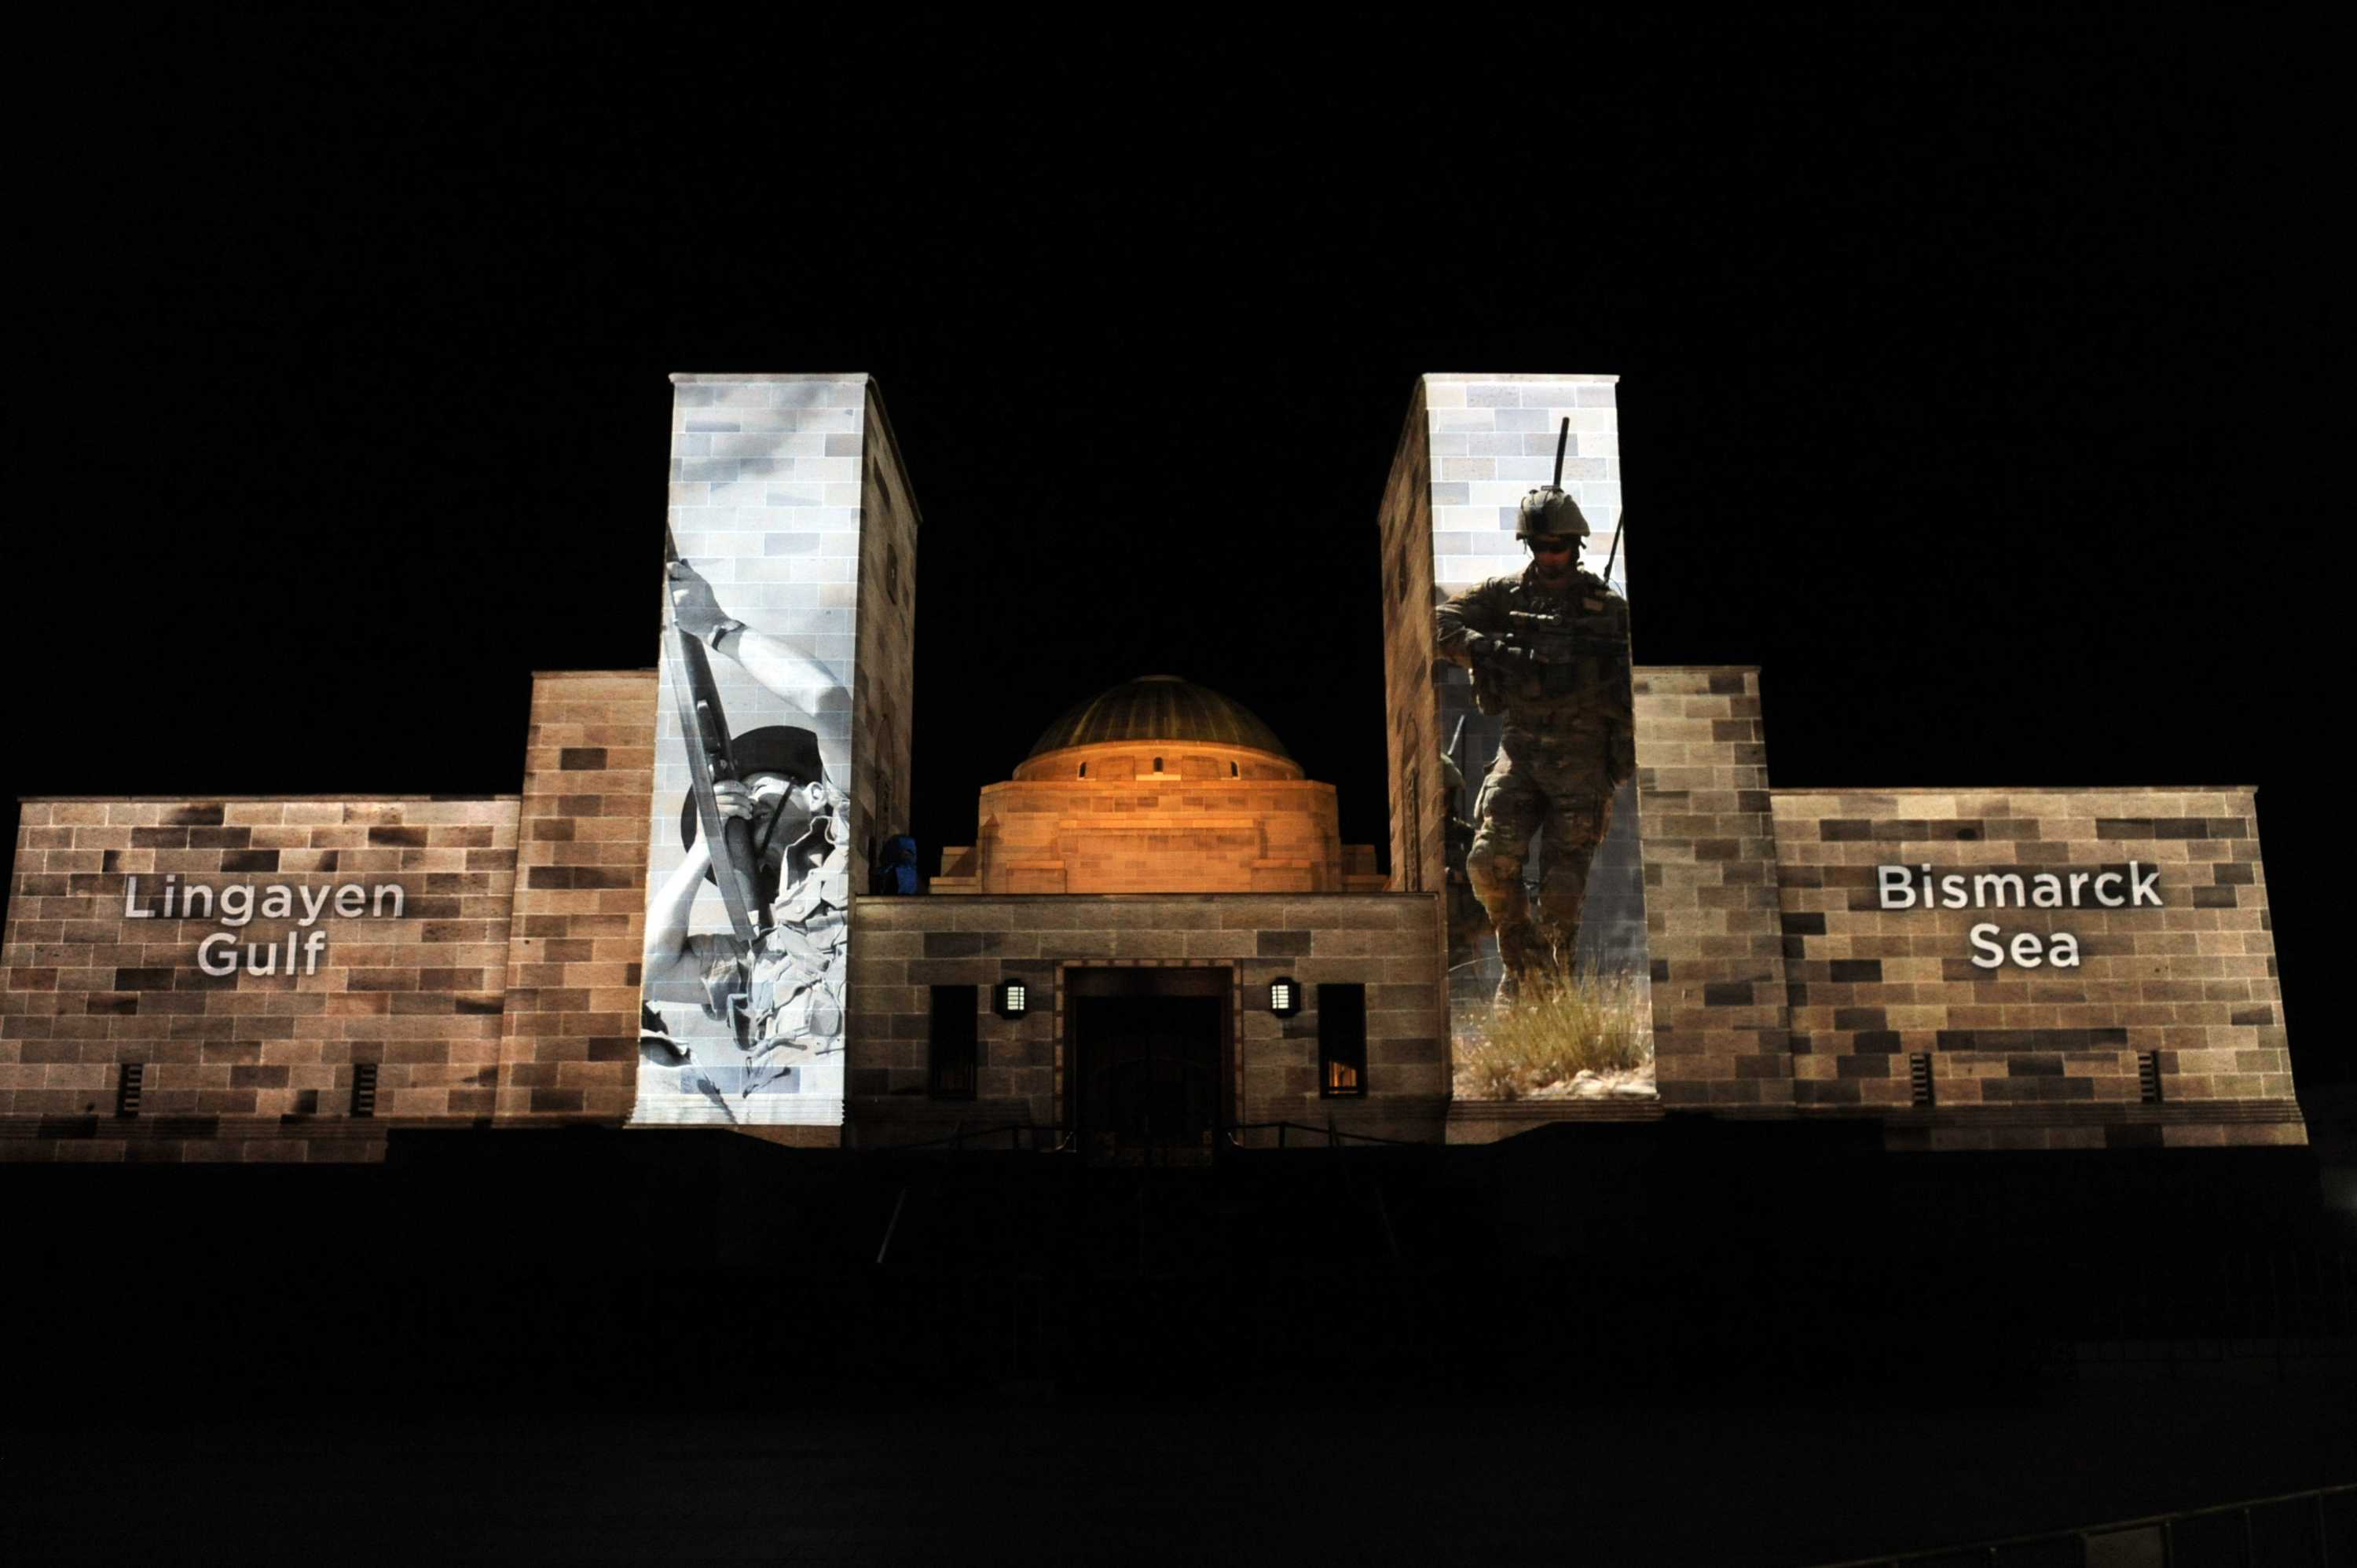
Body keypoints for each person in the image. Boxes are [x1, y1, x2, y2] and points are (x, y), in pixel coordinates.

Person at [639, 557, 851, 1118]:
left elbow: (829, 704)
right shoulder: (755, 947)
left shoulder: (850, 847)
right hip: (774, 1122)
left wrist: (716, 627)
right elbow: (647, 970)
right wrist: (704, 850)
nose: (743, 799)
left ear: (812, 793)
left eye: (758, 784)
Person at [1434, 483, 1635, 1005]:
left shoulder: (1608, 610)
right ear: (1530, 545)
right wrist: (1491, 649)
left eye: (1559, 546)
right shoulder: (1503, 596)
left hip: (1583, 766)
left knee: (1561, 900)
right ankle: (1524, 968)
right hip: (1521, 755)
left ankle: (1553, 994)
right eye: (1541, 546)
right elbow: (1437, 624)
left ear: (1576, 544)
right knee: (1486, 861)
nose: (1551, 556)